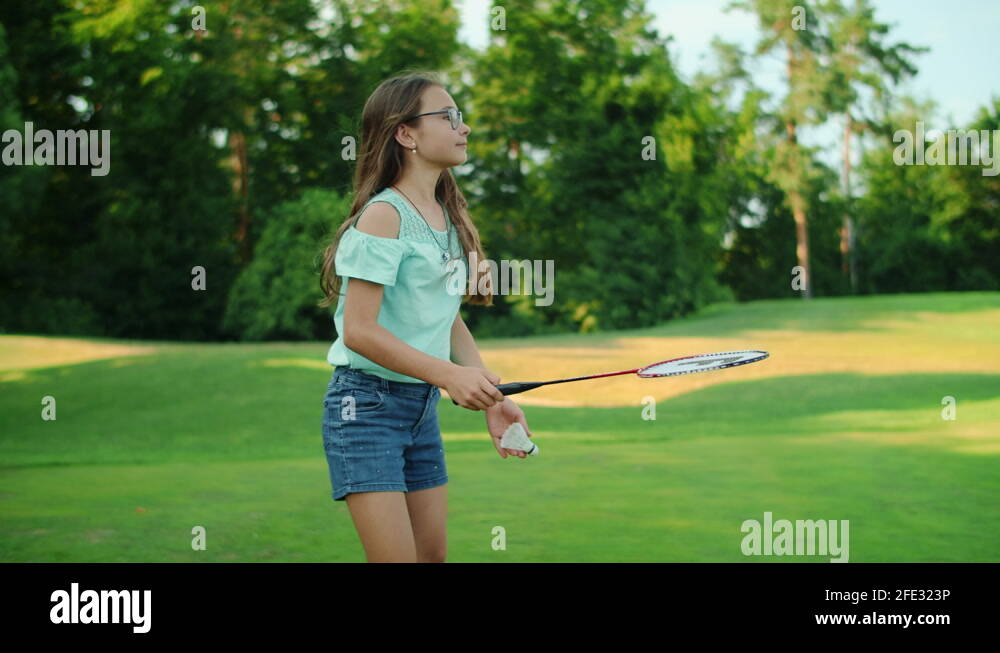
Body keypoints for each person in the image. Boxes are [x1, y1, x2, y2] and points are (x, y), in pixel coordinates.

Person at [316, 71, 535, 563]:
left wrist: (492, 397)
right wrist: (447, 375)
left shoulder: (445, 216)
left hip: (418, 411)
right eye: (449, 116)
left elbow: (447, 318)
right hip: (365, 409)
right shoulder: (384, 215)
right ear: (406, 134)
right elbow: (359, 331)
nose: (465, 127)